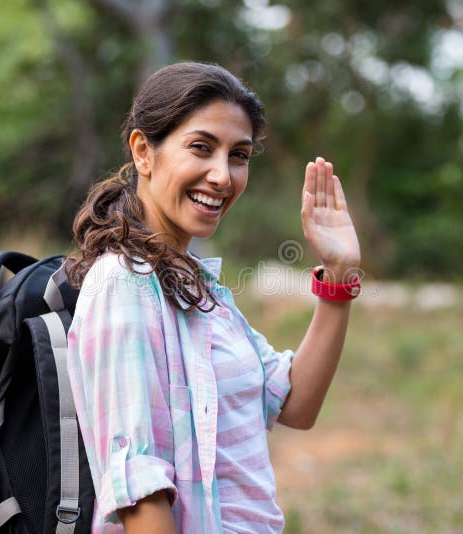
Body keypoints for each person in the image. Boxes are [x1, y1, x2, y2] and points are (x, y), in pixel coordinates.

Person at [65, 62, 361, 533]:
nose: (222, 176)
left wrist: (340, 274)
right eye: (201, 148)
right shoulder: (121, 284)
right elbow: (140, 489)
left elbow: (293, 404)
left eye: (238, 155)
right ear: (144, 151)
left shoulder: (198, 287)